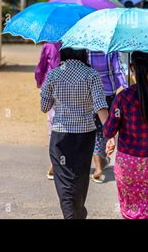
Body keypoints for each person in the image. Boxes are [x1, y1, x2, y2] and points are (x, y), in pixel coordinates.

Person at [103, 51, 148, 219]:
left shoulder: (122, 98)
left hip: (127, 162)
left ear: (132, 69)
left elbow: (108, 131)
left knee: (130, 210)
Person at [41, 48, 109, 219]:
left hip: (60, 136)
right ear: (83, 53)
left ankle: (73, 215)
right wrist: (110, 134)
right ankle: (78, 213)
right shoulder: (92, 75)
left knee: (64, 181)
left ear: (63, 53)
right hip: (85, 136)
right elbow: (100, 106)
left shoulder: (53, 75)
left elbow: (44, 107)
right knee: (80, 178)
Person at [88, 51, 127, 183]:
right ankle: (99, 166)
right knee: (104, 129)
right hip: (109, 94)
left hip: (89, 93)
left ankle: (100, 162)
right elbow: (118, 70)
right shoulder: (111, 49)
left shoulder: (86, 48)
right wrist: (127, 88)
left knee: (94, 130)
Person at [35, 42, 61, 180]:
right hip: (67, 87)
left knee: (52, 125)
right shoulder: (71, 43)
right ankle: (62, 161)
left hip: (49, 87)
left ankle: (54, 162)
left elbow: (41, 65)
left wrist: (39, 81)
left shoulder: (48, 45)